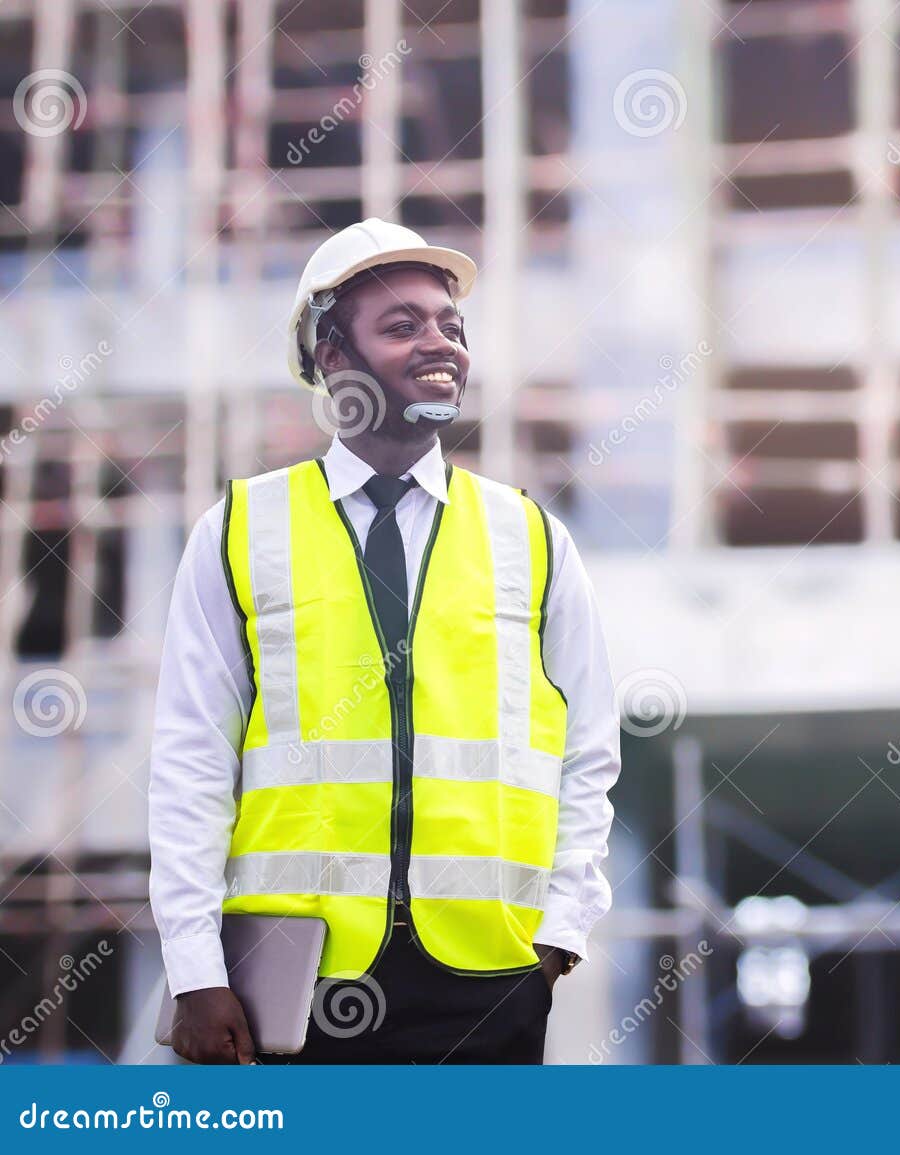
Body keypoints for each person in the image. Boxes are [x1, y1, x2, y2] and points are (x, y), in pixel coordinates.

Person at [148, 218, 621, 1064]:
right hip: (295, 979)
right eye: (402, 326)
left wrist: (562, 932)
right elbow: (191, 757)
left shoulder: (531, 536)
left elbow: (589, 746)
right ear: (334, 359)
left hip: (491, 974)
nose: (440, 343)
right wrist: (193, 964)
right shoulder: (240, 529)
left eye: (452, 325)